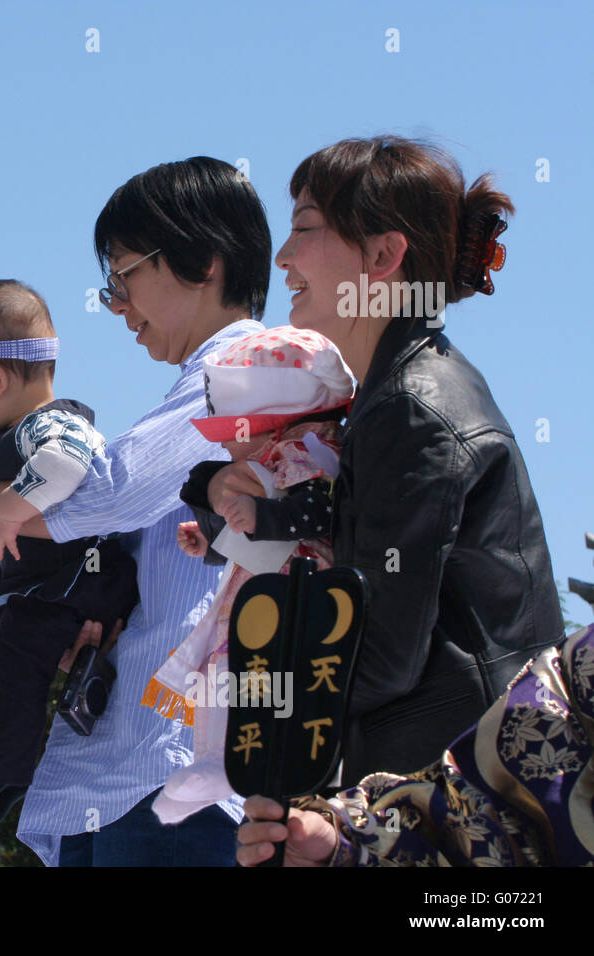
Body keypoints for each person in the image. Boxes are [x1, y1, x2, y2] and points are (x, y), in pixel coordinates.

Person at [209, 136, 562, 784]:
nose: (283, 257)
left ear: (383, 256)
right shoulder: (409, 388)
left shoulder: (410, 407)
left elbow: (382, 653)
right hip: (474, 781)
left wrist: (249, 719)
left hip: (453, 802)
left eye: (305, 228)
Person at [0, 157, 274, 865]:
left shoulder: (245, 370)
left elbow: (110, 488)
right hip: (134, 764)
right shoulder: (220, 380)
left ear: (202, 261)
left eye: (124, 277)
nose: (116, 306)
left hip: (174, 773)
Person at [0, 279, 139, 831]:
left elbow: (69, 461)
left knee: (15, 656)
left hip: (80, 578)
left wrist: (13, 503)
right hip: (51, 585)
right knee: (4, 661)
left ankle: (6, 772)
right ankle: (7, 769)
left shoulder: (51, 423)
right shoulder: (5, 434)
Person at [144, 326, 353, 824]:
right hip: (260, 589)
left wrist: (264, 518)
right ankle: (217, 760)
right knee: (230, 669)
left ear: (271, 421)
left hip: (300, 592)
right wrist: (213, 540)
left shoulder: (309, 449)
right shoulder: (279, 453)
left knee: (265, 672)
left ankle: (238, 763)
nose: (232, 446)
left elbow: (318, 511)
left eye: (237, 432)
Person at [236, 623, 593, 867]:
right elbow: (485, 831)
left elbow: (394, 658)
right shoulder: (574, 685)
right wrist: (349, 851)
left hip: (415, 720)